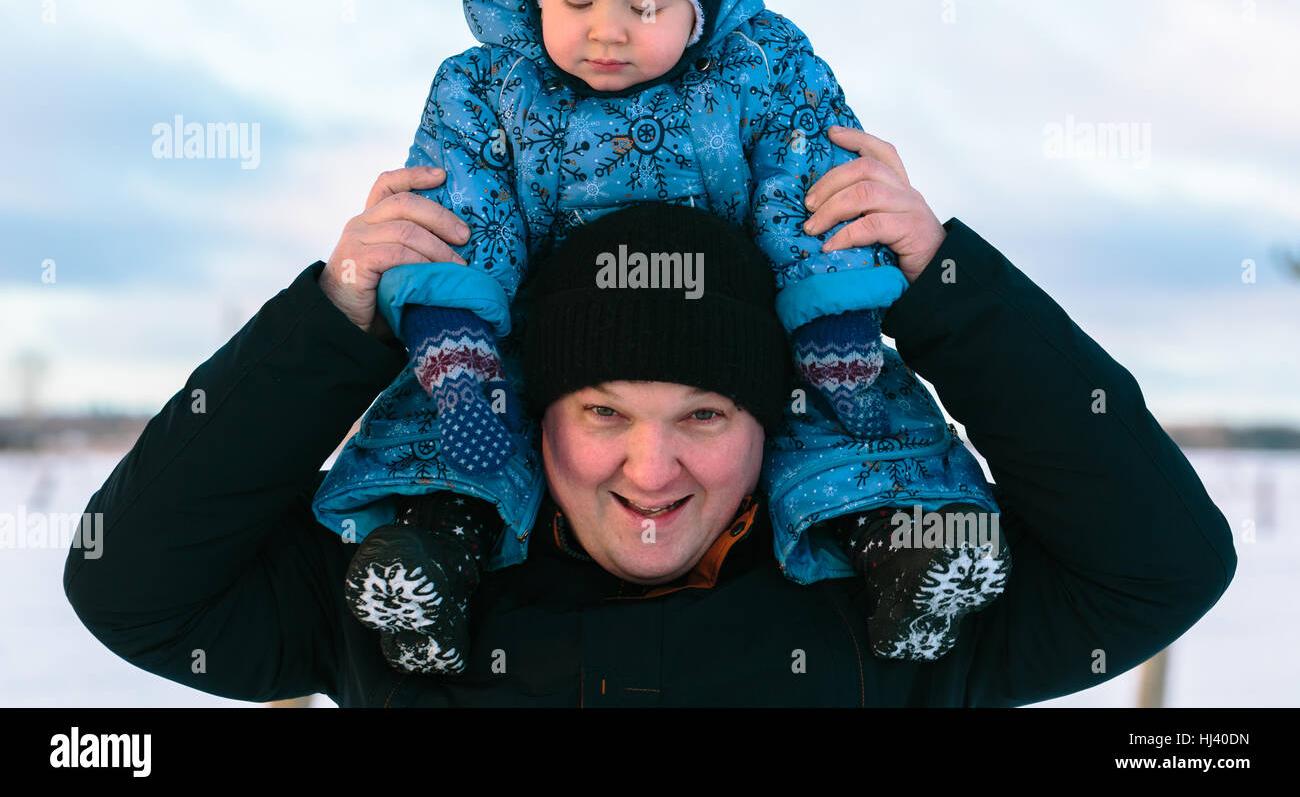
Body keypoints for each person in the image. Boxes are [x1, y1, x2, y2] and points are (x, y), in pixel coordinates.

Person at [62, 141, 1237, 706]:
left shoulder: (897, 602)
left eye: (706, 413)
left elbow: (1161, 562)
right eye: (602, 411)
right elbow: (136, 583)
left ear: (775, 422)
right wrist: (338, 323)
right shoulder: (402, 595)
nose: (651, 465)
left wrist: (944, 292)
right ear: (533, 419)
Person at [314, 0, 1008, 676]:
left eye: (645, 8)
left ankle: (905, 550)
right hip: (531, 336)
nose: (605, 31)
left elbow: (812, 188)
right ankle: (433, 556)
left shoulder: (762, 71)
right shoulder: (485, 85)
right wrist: (451, 332)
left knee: (848, 416)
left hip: (747, 333)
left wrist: (835, 315)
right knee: (454, 429)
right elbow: (458, 207)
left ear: (701, 9)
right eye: (575, 0)